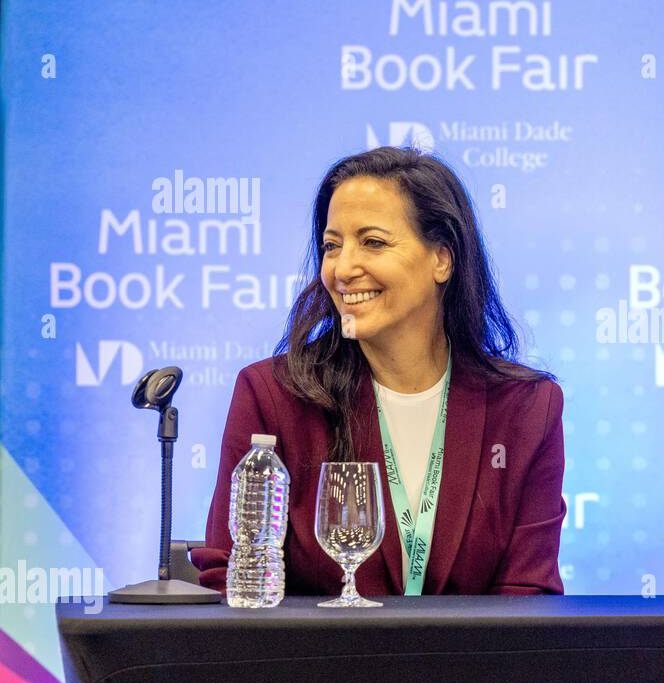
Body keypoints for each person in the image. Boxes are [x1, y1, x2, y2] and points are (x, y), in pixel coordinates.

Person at [196, 147, 564, 596]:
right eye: (332, 246)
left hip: (472, 667)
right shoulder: (273, 396)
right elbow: (231, 582)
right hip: (312, 666)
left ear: (442, 259)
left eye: (372, 242)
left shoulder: (527, 408)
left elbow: (528, 596)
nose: (343, 269)